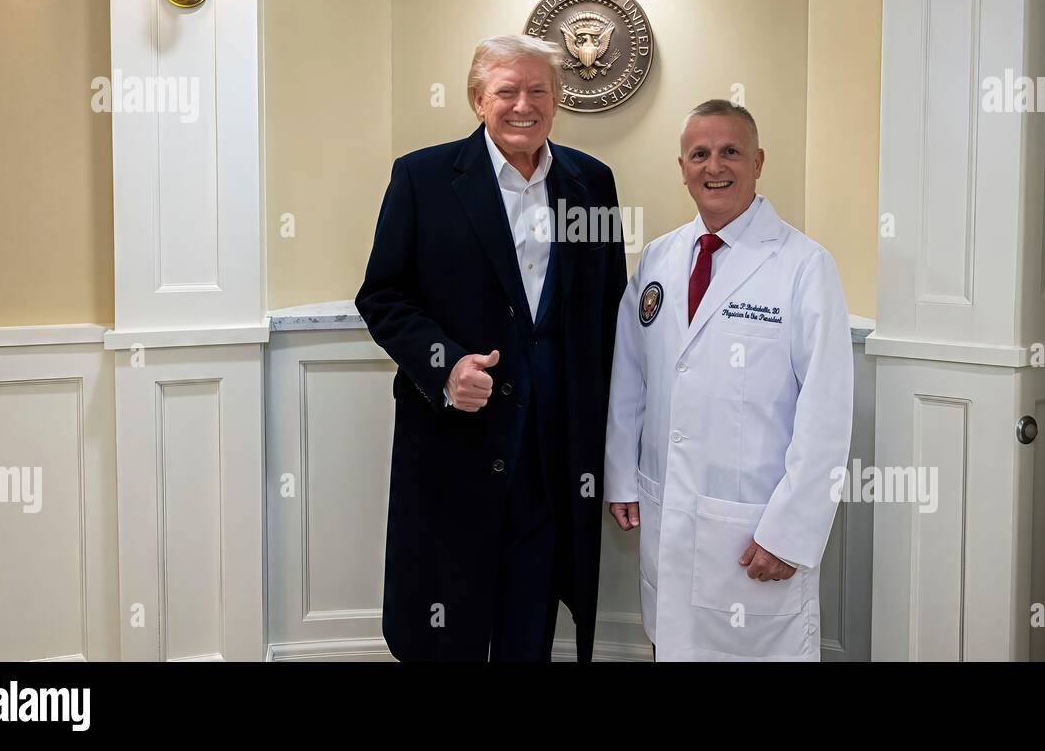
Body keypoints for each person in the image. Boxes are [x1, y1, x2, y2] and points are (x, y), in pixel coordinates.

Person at [356, 34, 626, 661]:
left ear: (557, 100)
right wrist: (444, 366)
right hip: (458, 440)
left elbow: (605, 305)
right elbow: (383, 295)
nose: (523, 104)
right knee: (445, 613)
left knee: (530, 612)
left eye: (538, 90)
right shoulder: (422, 177)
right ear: (479, 99)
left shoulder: (594, 182)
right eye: (507, 91)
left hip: (553, 447)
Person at [604, 99, 853, 661]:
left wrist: (789, 532)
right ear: (683, 166)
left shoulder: (804, 266)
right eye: (700, 154)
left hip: (755, 527)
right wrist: (621, 475)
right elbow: (630, 377)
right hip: (670, 514)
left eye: (730, 152)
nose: (714, 166)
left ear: (758, 161)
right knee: (672, 645)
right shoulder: (660, 261)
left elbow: (827, 413)